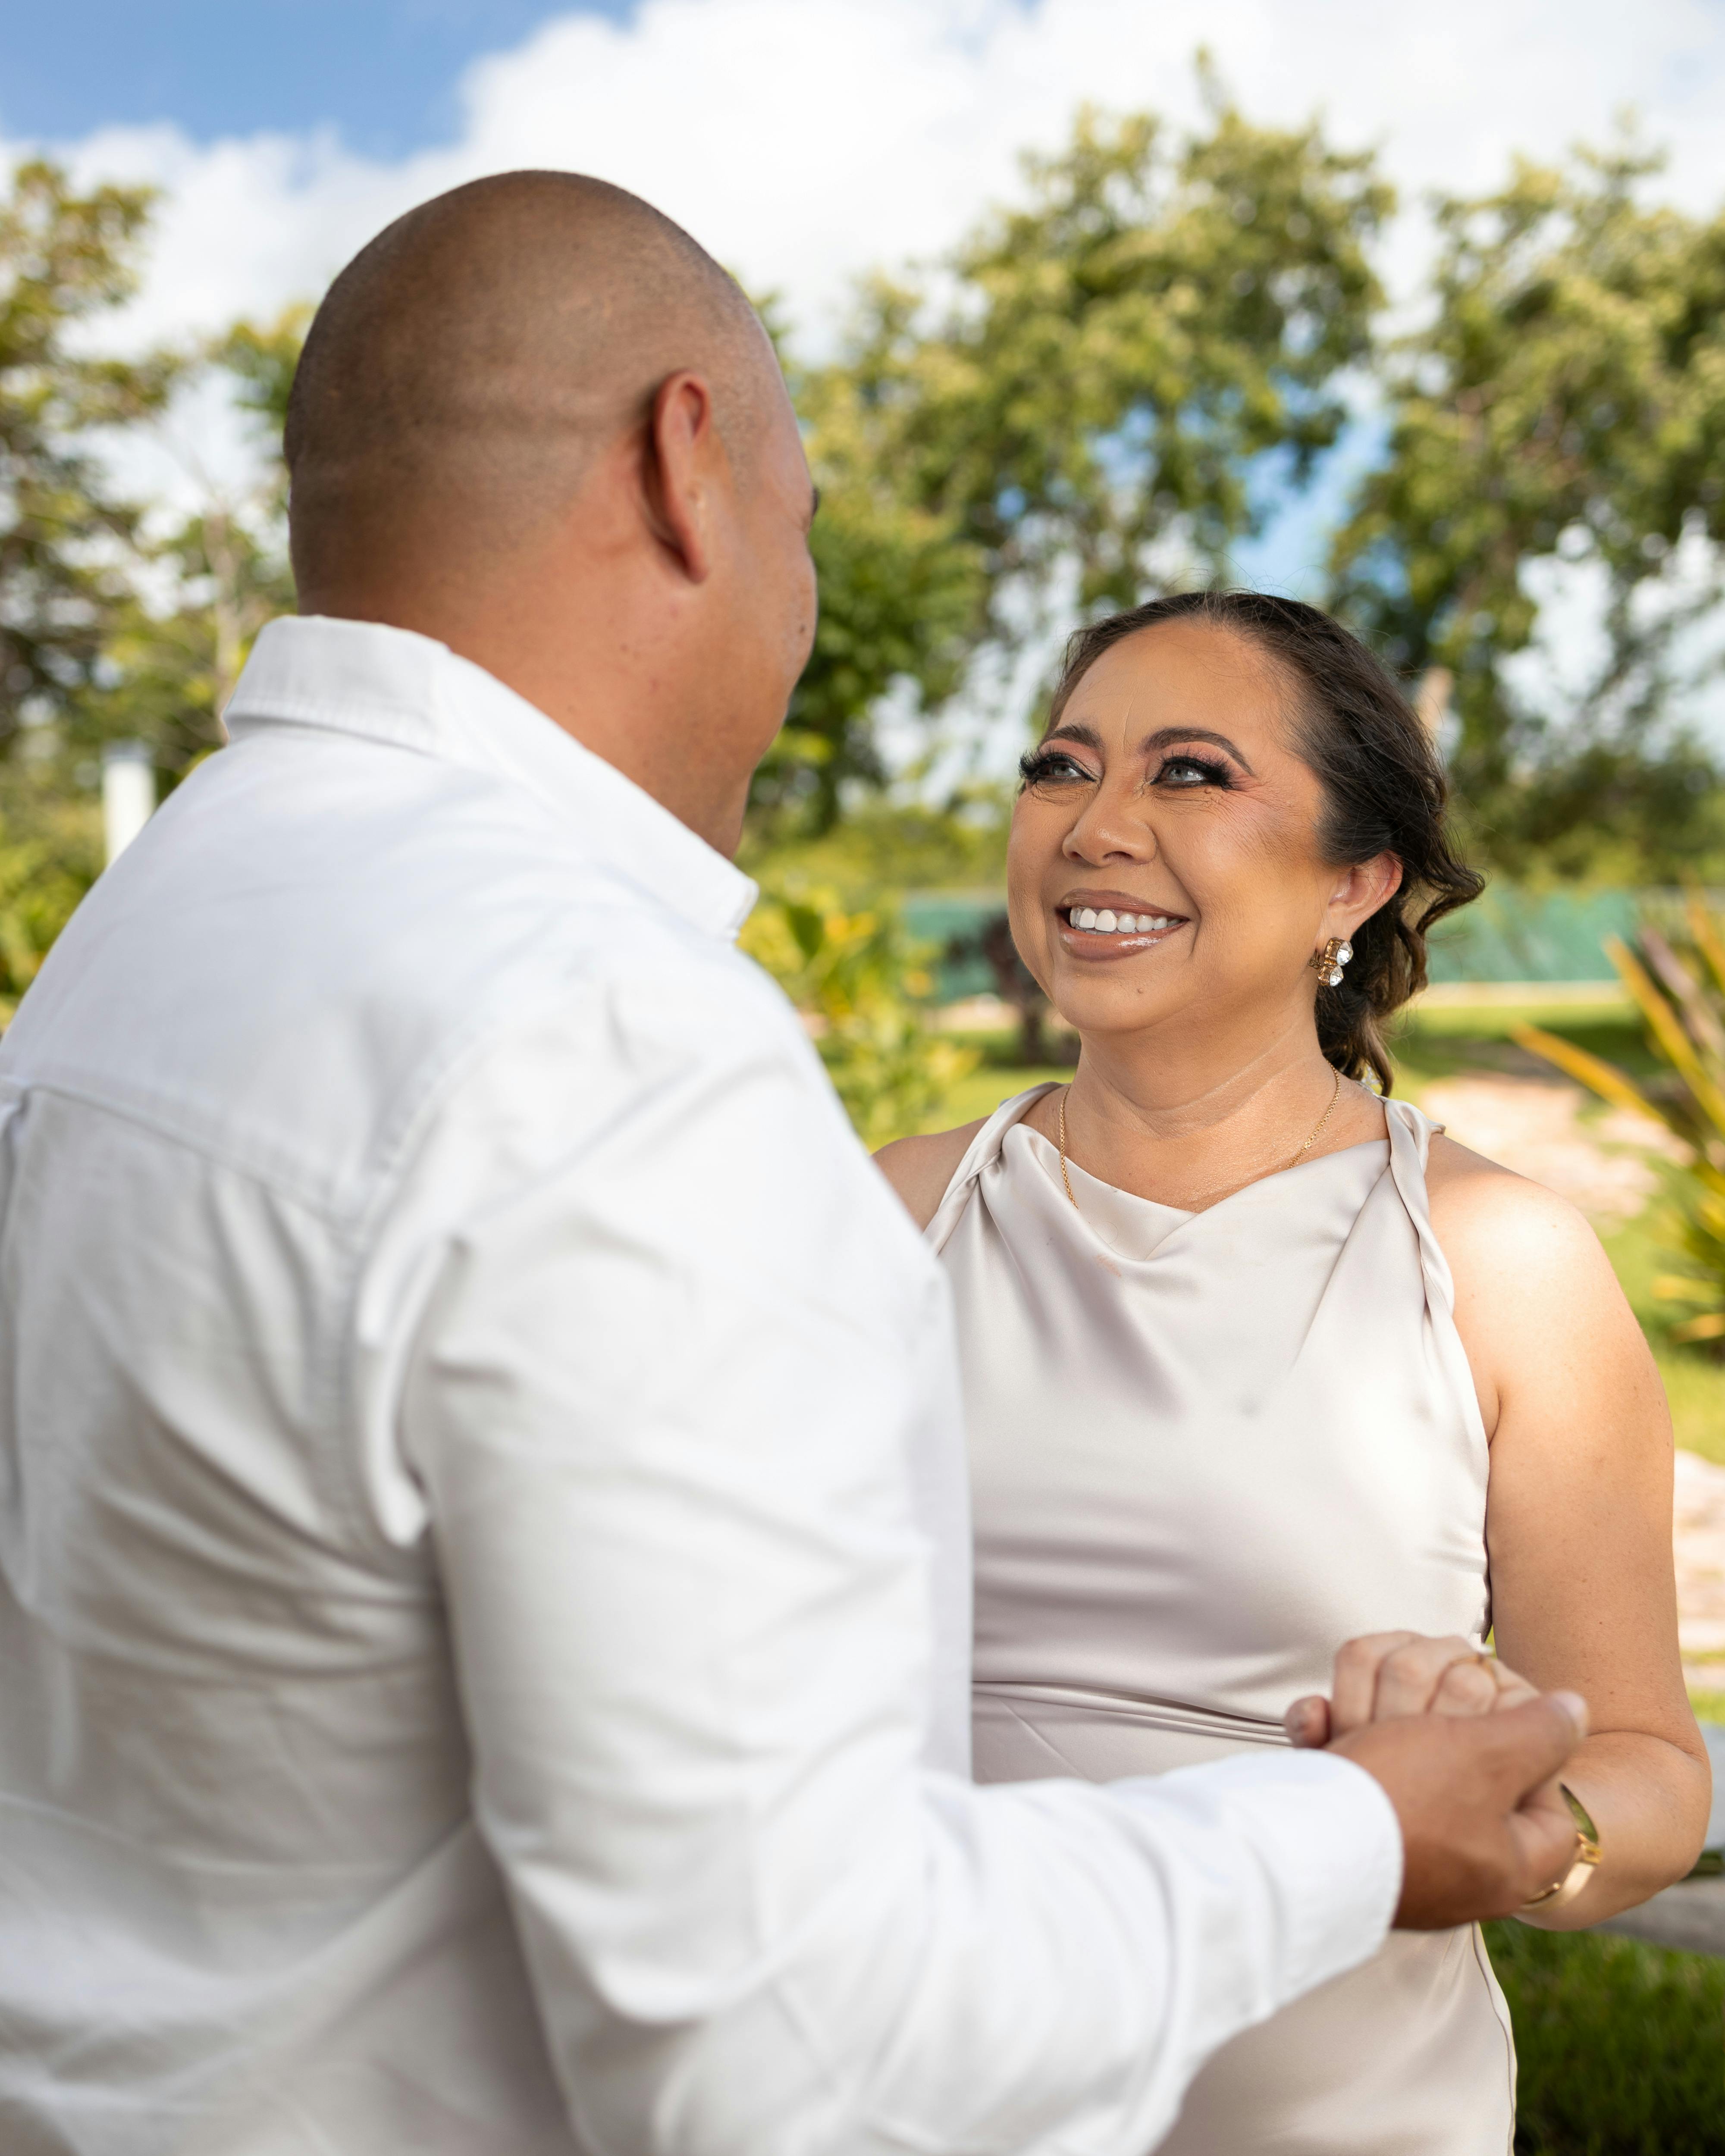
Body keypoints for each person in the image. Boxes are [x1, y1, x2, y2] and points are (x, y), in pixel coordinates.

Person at [0, 179, 1587, 2156]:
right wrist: (1352, 1828)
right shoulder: (607, 1041)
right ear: (689, 466)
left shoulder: (151, 925)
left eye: (1192, 772)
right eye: (809, 519)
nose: (1095, 824)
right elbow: (802, 2058)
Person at [878, 589, 1709, 2153]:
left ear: (1358, 877)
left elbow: (1652, 1769)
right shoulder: (884, 1219)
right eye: (1062, 768)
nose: (1095, 825)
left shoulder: (1502, 1262)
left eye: (1191, 773)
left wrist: (1530, 1822)